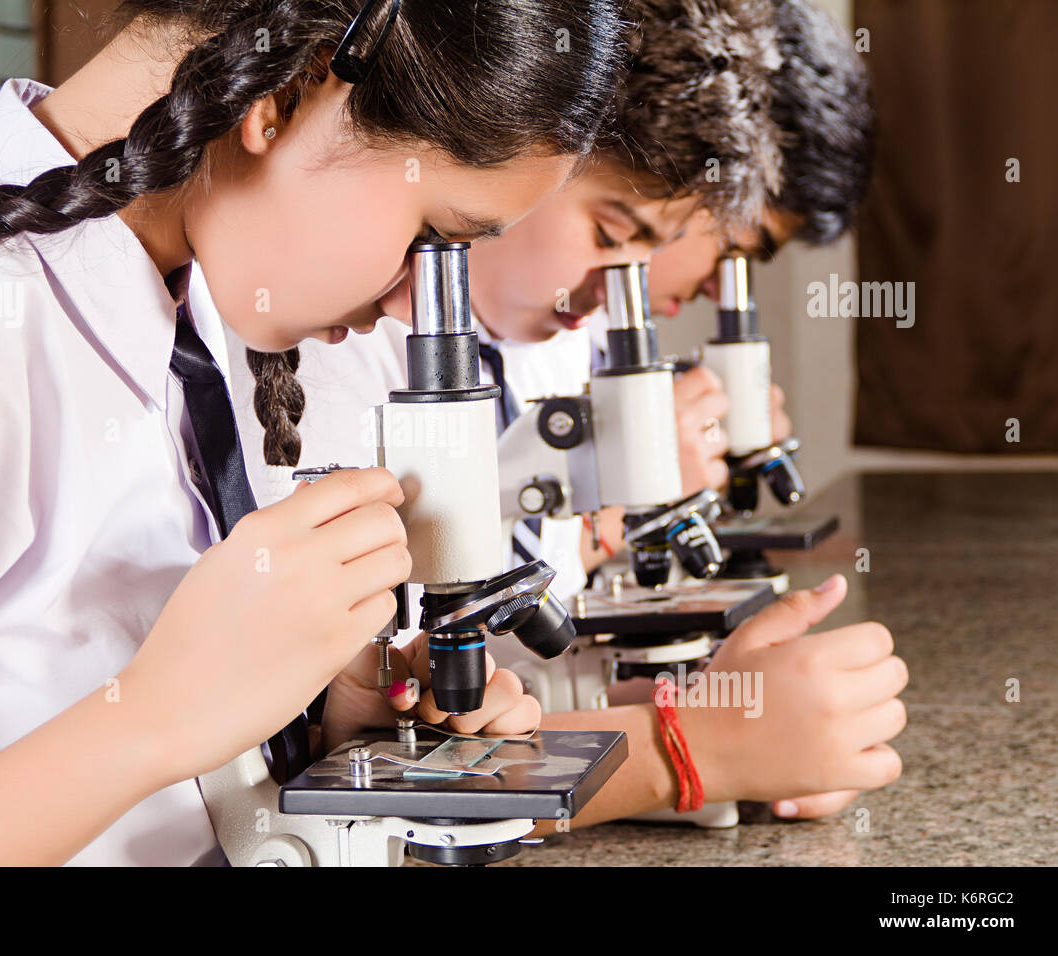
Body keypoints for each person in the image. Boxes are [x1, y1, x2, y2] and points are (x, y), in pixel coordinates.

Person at [0, 0, 628, 866]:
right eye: (432, 236)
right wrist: (151, 720)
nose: (417, 304)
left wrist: (314, 734)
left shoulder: (197, 313)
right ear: (284, 95)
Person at [231, 0, 905, 830]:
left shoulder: (538, 329)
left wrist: (729, 715)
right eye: (614, 233)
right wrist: (683, 752)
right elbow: (304, 776)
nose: (627, 285)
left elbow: (420, 701)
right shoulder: (332, 340)